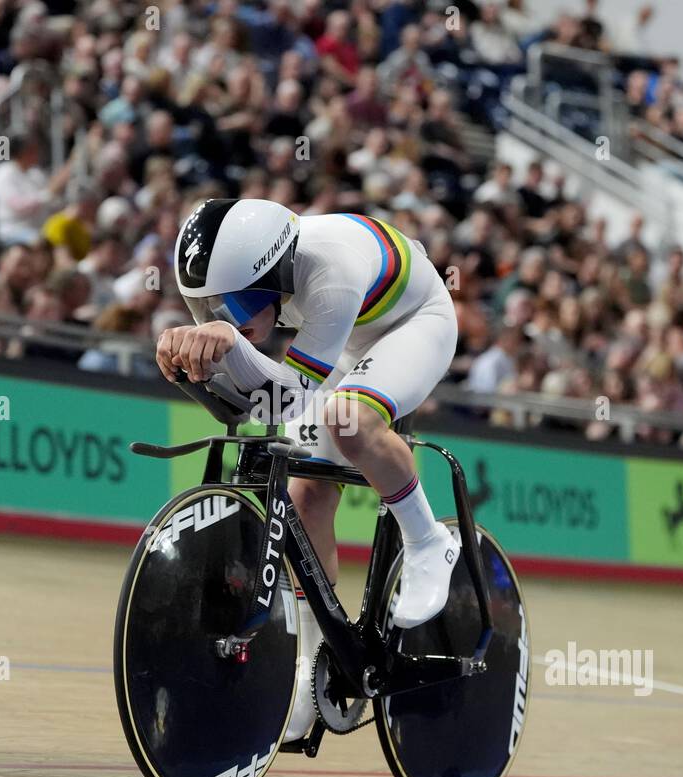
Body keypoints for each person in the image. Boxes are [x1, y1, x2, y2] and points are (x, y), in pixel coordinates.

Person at [157, 198, 460, 745]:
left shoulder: (330, 274)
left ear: (271, 275)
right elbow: (261, 395)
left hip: (414, 324)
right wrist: (193, 353)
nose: (220, 317)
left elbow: (282, 405)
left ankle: (427, 540)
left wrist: (227, 346)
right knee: (304, 498)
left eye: (232, 304)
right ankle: (311, 666)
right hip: (346, 336)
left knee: (349, 423)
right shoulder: (268, 270)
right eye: (207, 307)